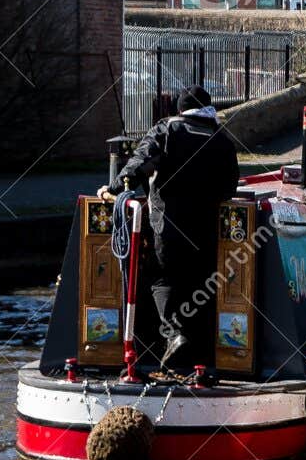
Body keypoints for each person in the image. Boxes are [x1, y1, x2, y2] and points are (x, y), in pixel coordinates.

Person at [102, 85, 240, 372]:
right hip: (205, 230)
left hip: (168, 227)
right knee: (198, 286)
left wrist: (114, 187)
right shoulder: (221, 139)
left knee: (161, 279)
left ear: (180, 110)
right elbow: (228, 188)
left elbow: (139, 165)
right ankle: (199, 359)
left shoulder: (166, 130)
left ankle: (173, 336)